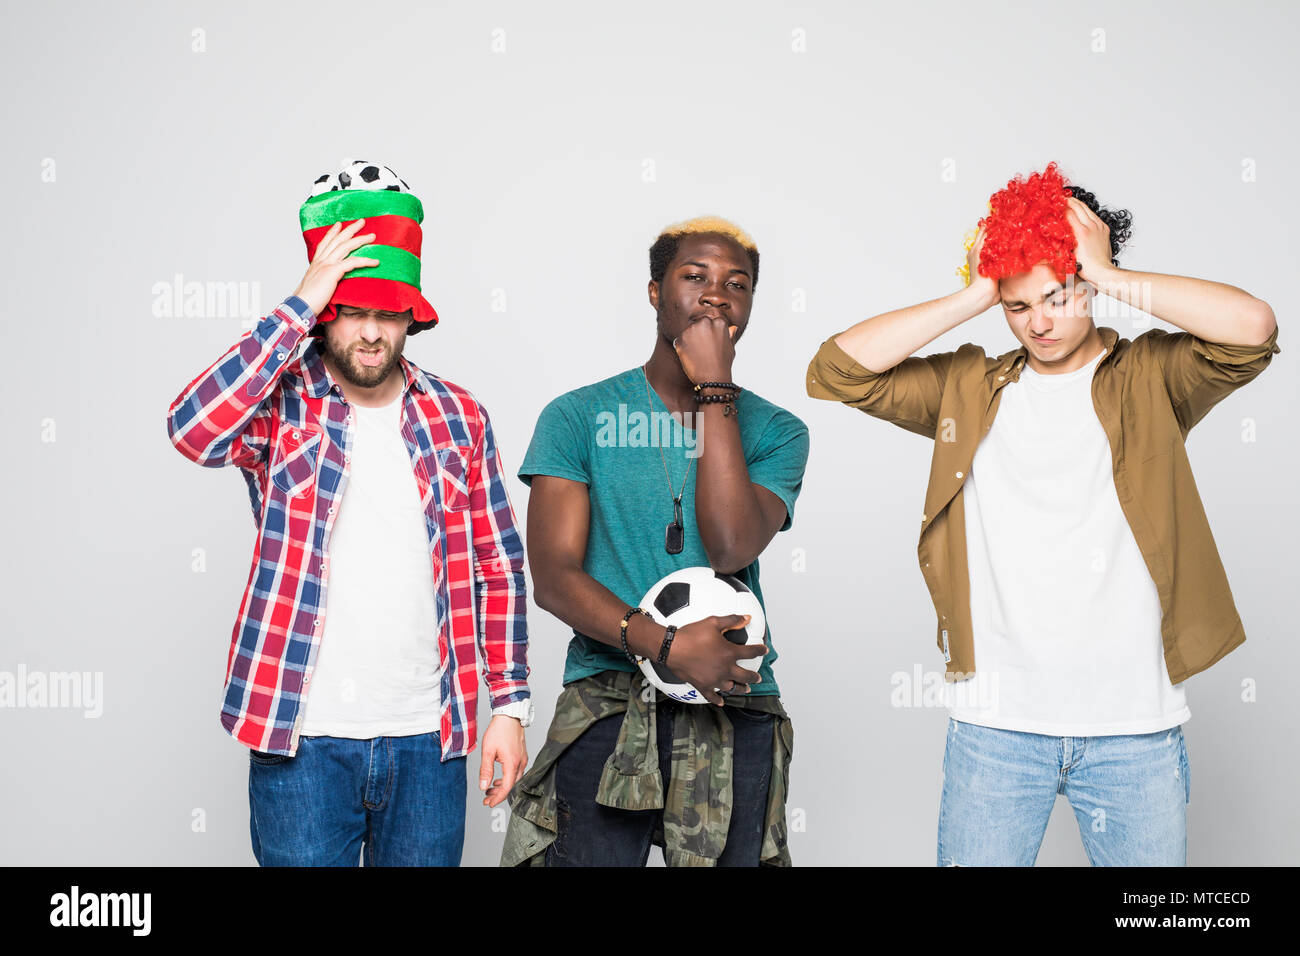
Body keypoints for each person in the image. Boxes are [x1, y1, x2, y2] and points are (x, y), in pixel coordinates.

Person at [806, 163, 1279, 866]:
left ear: (1089, 284)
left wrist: (1112, 275)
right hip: (996, 729)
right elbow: (837, 371)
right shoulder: (966, 386)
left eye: (1061, 296)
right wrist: (973, 293)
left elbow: (1253, 328)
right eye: (1019, 306)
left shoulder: (1151, 377)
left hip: (1133, 729)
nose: (1041, 323)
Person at [166, 161, 533, 866]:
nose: (371, 333)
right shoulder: (280, 403)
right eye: (353, 310)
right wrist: (298, 305)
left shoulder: (457, 416)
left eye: (387, 313)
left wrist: (509, 710)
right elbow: (193, 429)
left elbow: (498, 564)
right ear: (330, 312)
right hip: (301, 737)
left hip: (430, 739)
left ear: (410, 315)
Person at [500, 216, 809, 867]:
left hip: (733, 696)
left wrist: (716, 388)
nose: (717, 294)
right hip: (608, 702)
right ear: (653, 291)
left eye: (737, 284)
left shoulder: (779, 432)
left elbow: (729, 546)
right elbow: (554, 577)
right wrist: (667, 645)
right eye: (694, 277)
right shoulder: (578, 417)